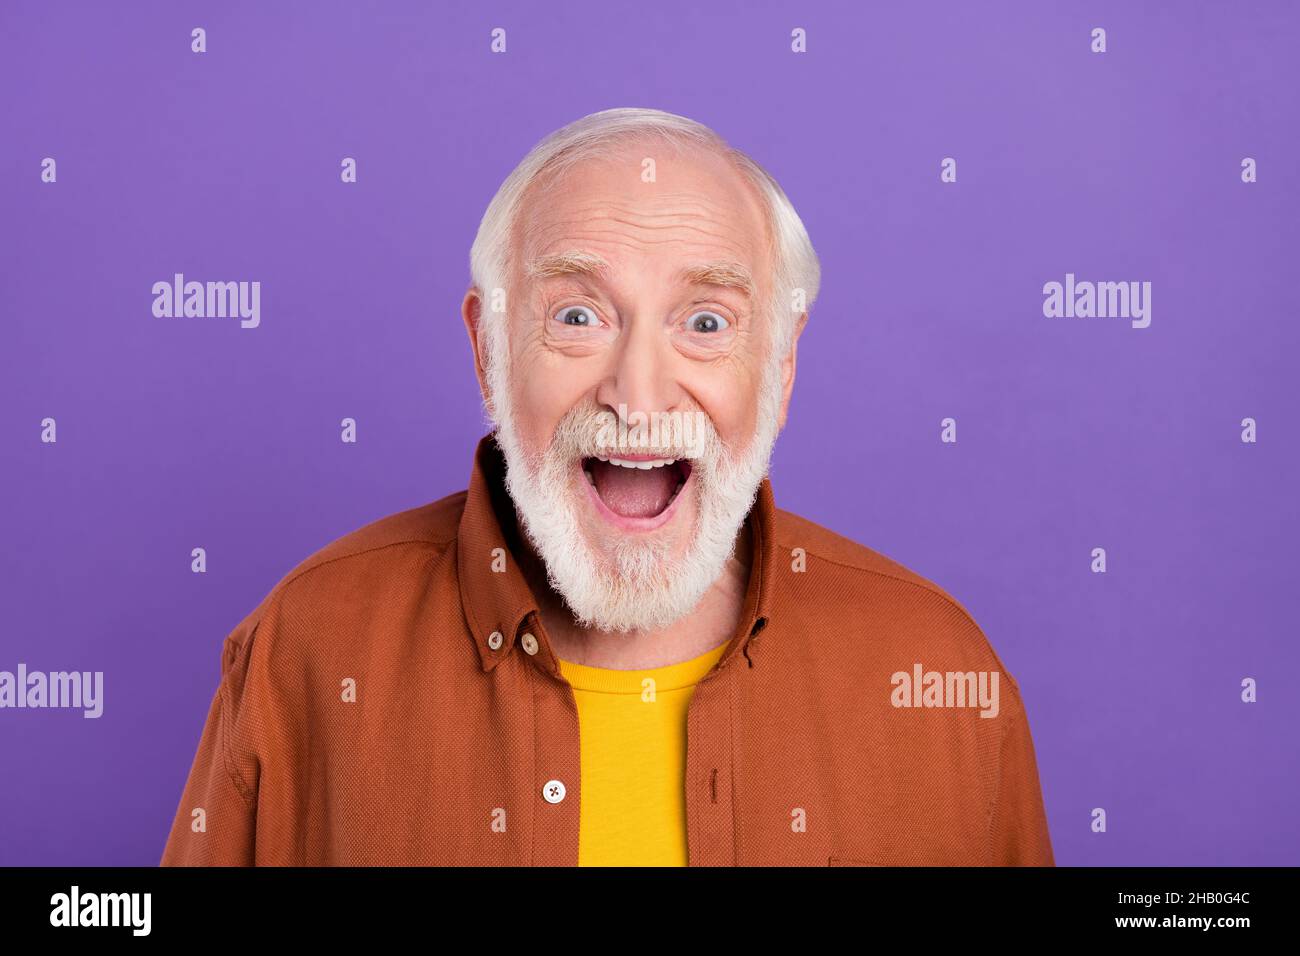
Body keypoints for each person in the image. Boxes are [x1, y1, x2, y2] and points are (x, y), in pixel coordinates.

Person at [161, 108, 1054, 866]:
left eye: (707, 322)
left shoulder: (940, 674)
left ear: (780, 369)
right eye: (578, 317)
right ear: (488, 351)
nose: (638, 393)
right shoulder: (304, 650)